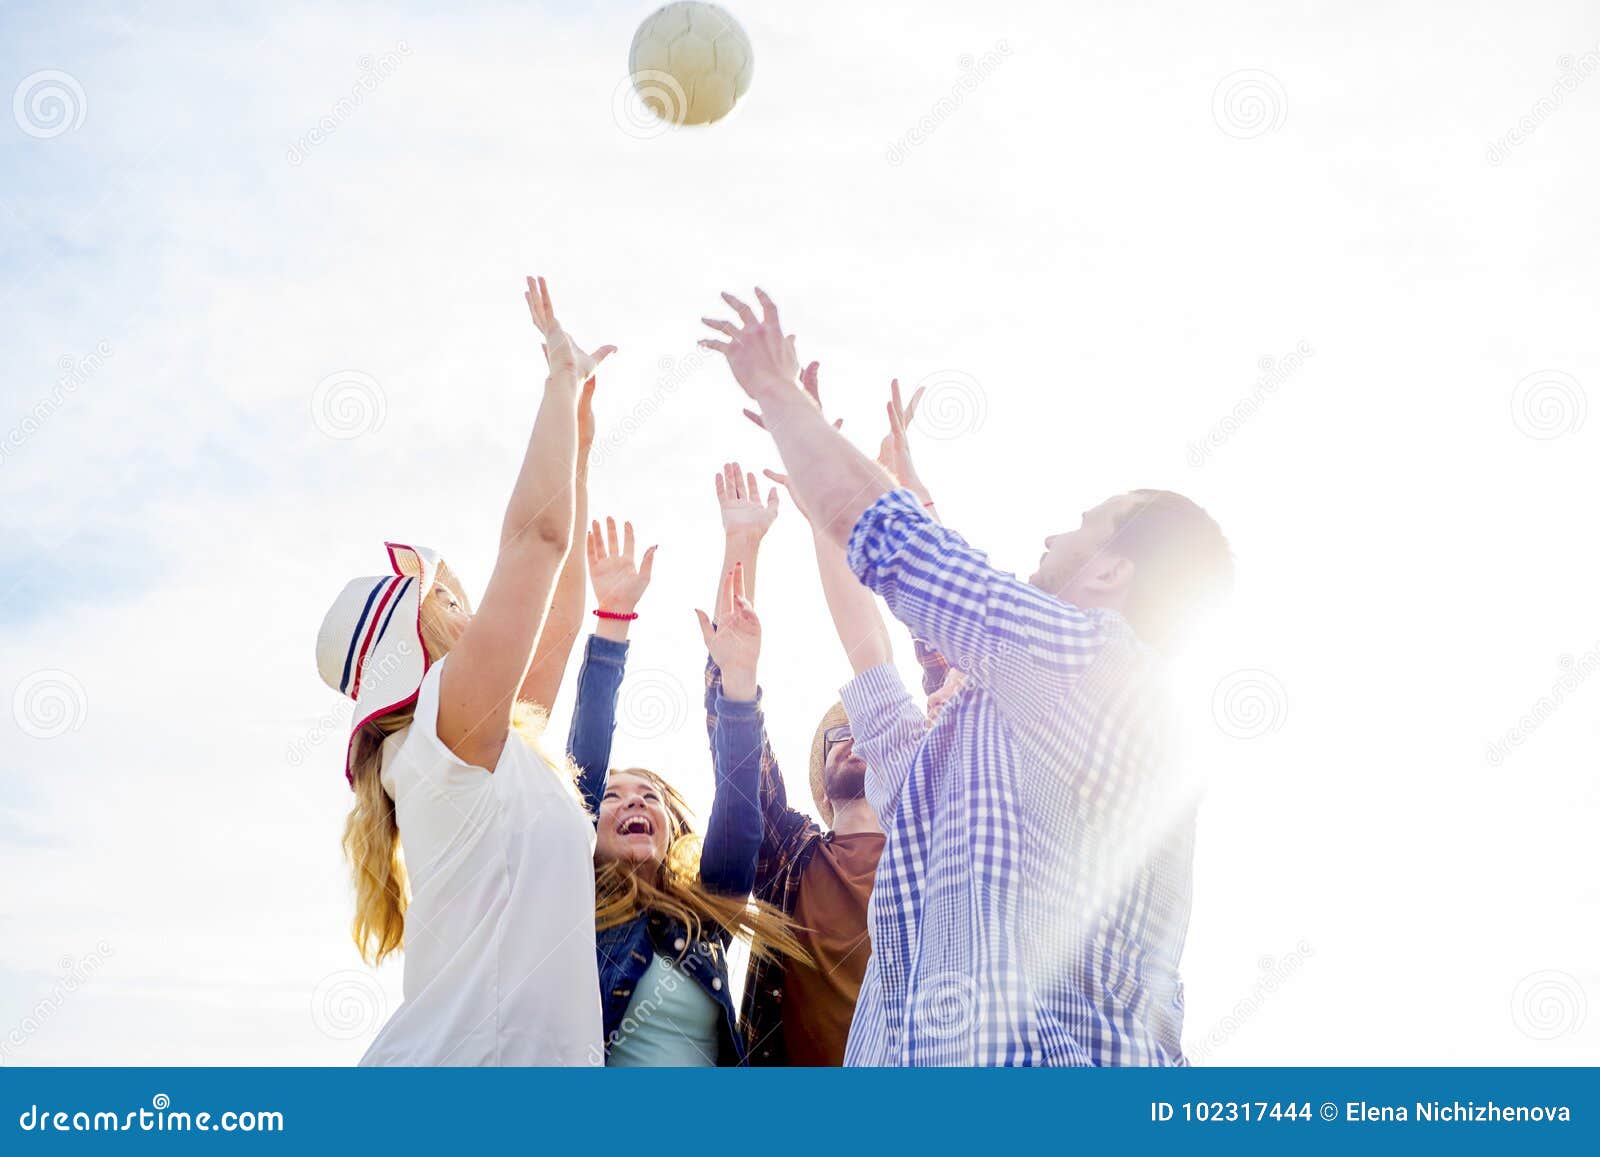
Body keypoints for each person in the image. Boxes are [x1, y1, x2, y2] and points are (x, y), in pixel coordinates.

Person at [700, 288, 1235, 1066]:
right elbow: (874, 645)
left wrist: (778, 392)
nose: (1053, 535)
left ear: (1111, 569)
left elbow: (908, 550)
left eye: (1083, 523)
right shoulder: (956, 760)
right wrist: (824, 505)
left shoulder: (1103, 671)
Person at [314, 275, 610, 1065]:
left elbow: (559, 620)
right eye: (446, 596)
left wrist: (578, 454)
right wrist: (560, 375)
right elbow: (537, 542)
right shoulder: (445, 730)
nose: (469, 601)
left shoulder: (477, 740)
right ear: (409, 638)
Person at [566, 522, 804, 1065]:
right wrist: (612, 623)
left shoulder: (702, 919)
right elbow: (583, 764)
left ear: (672, 827)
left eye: (649, 796)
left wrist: (738, 683)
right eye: (613, 797)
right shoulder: (572, 905)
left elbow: (739, 810)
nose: (634, 801)